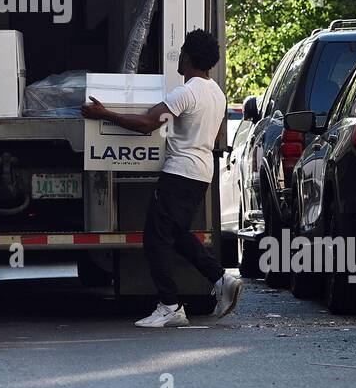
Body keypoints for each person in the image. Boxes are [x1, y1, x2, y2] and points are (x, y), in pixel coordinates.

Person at [81, 28, 241, 327]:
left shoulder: (186, 92)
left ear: (190, 57)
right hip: (201, 172)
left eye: (182, 53)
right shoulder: (216, 92)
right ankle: (221, 279)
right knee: (176, 234)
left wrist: (104, 114)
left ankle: (170, 305)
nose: (178, 58)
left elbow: (146, 124)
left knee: (155, 240)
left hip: (179, 173)